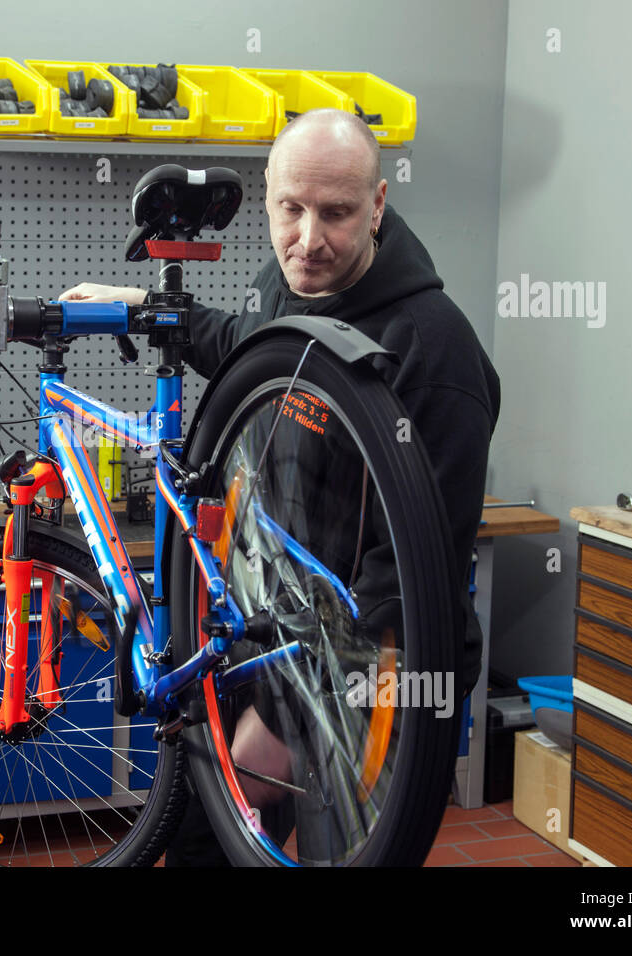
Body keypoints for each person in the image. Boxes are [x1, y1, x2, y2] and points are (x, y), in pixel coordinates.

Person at [59, 108, 500, 864]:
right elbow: (247, 349)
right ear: (267, 197)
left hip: (373, 681)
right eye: (289, 209)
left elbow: (408, 576)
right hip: (266, 638)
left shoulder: (433, 351)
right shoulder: (286, 284)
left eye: (336, 213)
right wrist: (149, 308)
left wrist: (295, 713)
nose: (307, 240)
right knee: (202, 844)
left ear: (380, 206)